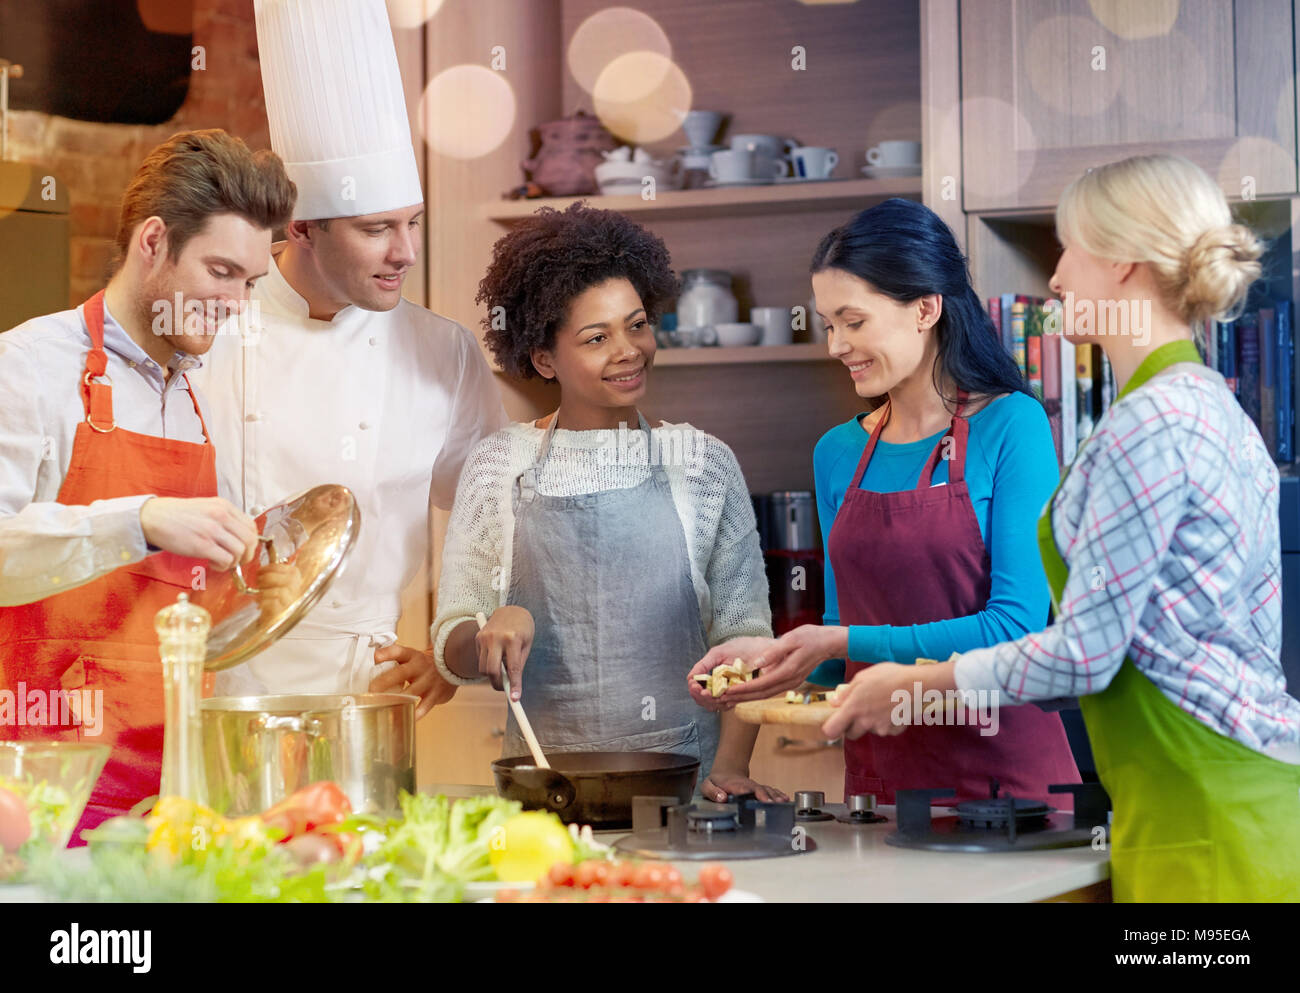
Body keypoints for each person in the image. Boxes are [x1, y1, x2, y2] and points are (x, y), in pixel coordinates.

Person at [821, 155, 1300, 901]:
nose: (1057, 277)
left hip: (1201, 815)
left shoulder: (1149, 425)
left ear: (1124, 264)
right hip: (1235, 797)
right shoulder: (1210, 407)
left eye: (1070, 249)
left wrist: (915, 684)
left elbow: (1084, 655)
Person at [691, 198, 1080, 806]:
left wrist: (838, 641)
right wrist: (771, 663)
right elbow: (845, 635)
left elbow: (1014, 630)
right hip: (882, 788)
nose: (835, 345)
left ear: (926, 308)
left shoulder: (1014, 426)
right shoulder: (838, 452)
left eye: (854, 321)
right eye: (827, 324)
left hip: (1007, 788)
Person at [191, 0, 507, 717]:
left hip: (370, 698)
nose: (407, 252)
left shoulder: (444, 354)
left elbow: (493, 520)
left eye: (412, 223)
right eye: (377, 229)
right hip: (217, 693)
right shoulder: (207, 329)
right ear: (301, 226)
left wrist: (453, 646)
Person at [432, 203, 782, 801]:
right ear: (544, 359)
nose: (629, 351)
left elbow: (747, 637)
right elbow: (453, 646)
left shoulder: (703, 464)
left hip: (683, 788)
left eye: (637, 325)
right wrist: (487, 628)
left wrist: (729, 766)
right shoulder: (498, 465)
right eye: (597, 338)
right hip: (540, 791)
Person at [0, 129, 296, 835]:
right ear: (154, 241)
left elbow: (164, 605)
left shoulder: (198, 398)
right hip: (43, 790)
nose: (236, 304)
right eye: (221, 271)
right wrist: (139, 516)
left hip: (171, 793)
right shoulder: (26, 367)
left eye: (251, 282)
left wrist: (251, 588)